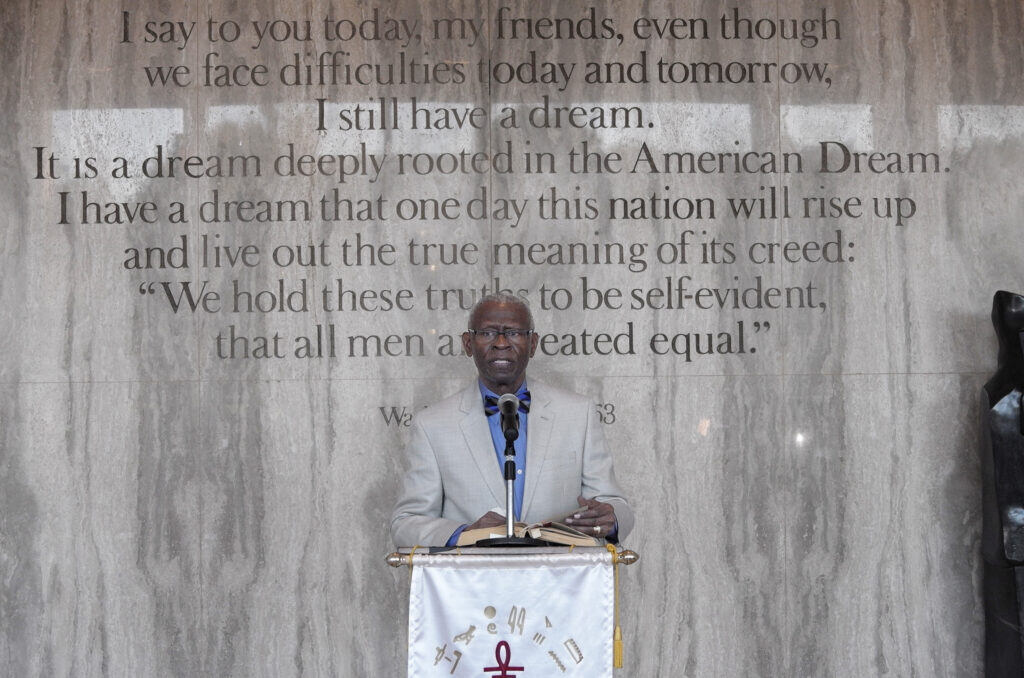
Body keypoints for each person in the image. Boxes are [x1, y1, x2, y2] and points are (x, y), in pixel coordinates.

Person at [390, 293, 634, 547]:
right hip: (473, 571)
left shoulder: (578, 413)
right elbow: (406, 524)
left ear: (533, 343)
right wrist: (465, 533)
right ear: (468, 343)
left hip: (561, 571)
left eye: (514, 333)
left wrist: (611, 519)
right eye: (487, 333)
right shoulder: (432, 425)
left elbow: (616, 506)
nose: (501, 343)